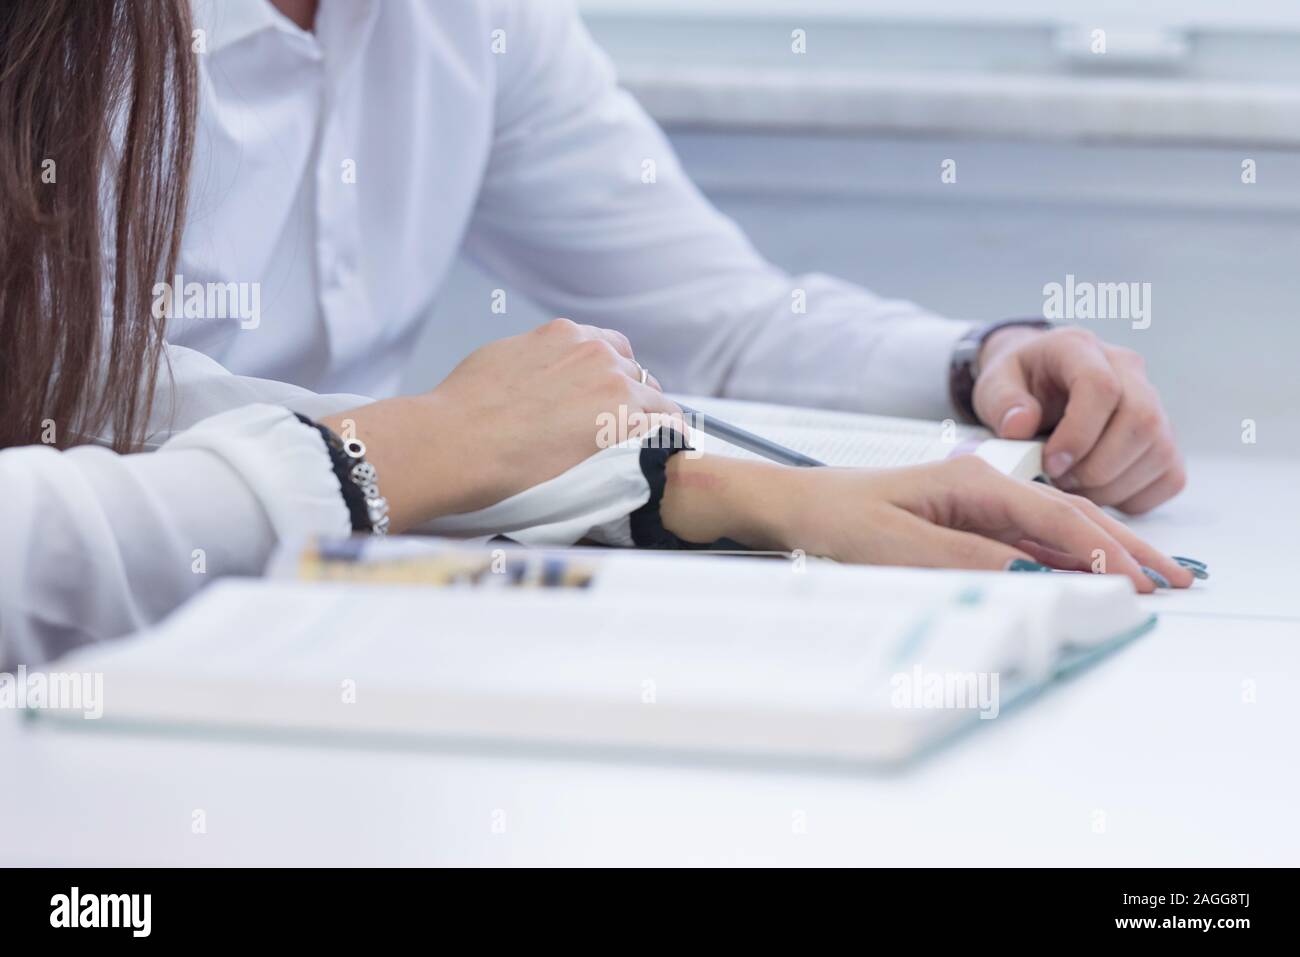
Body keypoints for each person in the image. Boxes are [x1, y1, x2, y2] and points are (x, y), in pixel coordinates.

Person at [0, 0, 1193, 670]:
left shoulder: (471, 22)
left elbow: (708, 316)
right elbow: (105, 424)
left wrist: (976, 361)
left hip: (339, 625)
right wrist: (667, 487)